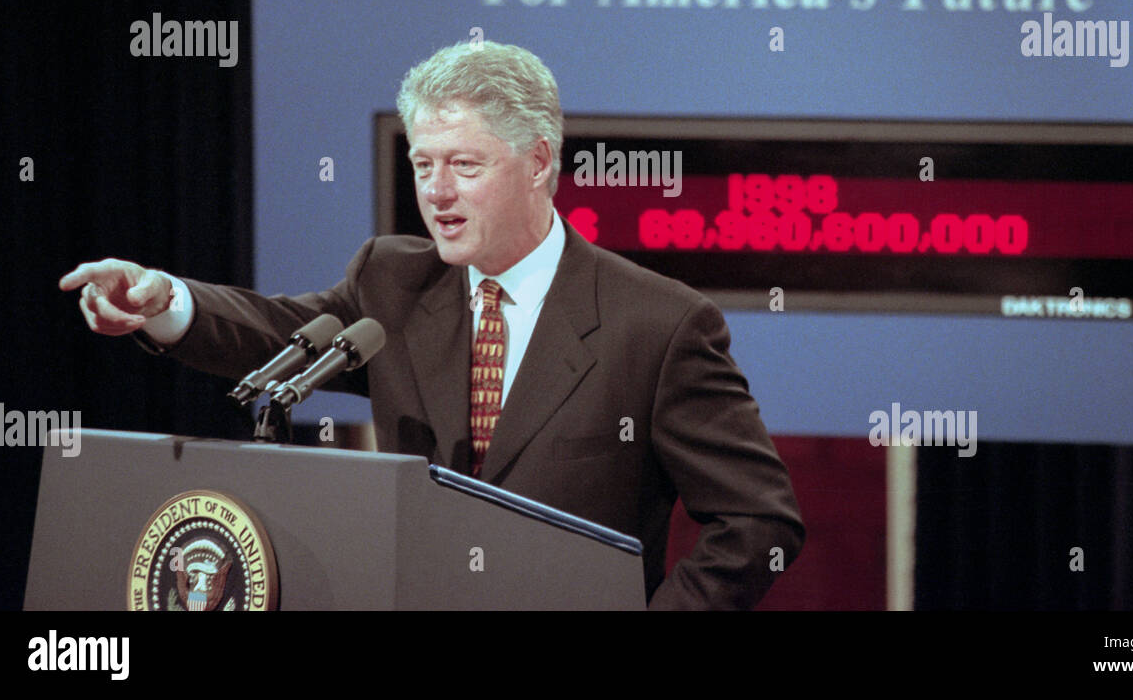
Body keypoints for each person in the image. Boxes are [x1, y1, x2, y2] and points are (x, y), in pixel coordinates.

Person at [60, 41, 804, 609]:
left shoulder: (659, 324)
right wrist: (166, 302)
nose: (437, 193)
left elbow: (758, 520)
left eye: (465, 165)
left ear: (539, 162)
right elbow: (280, 336)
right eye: (423, 165)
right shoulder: (393, 281)